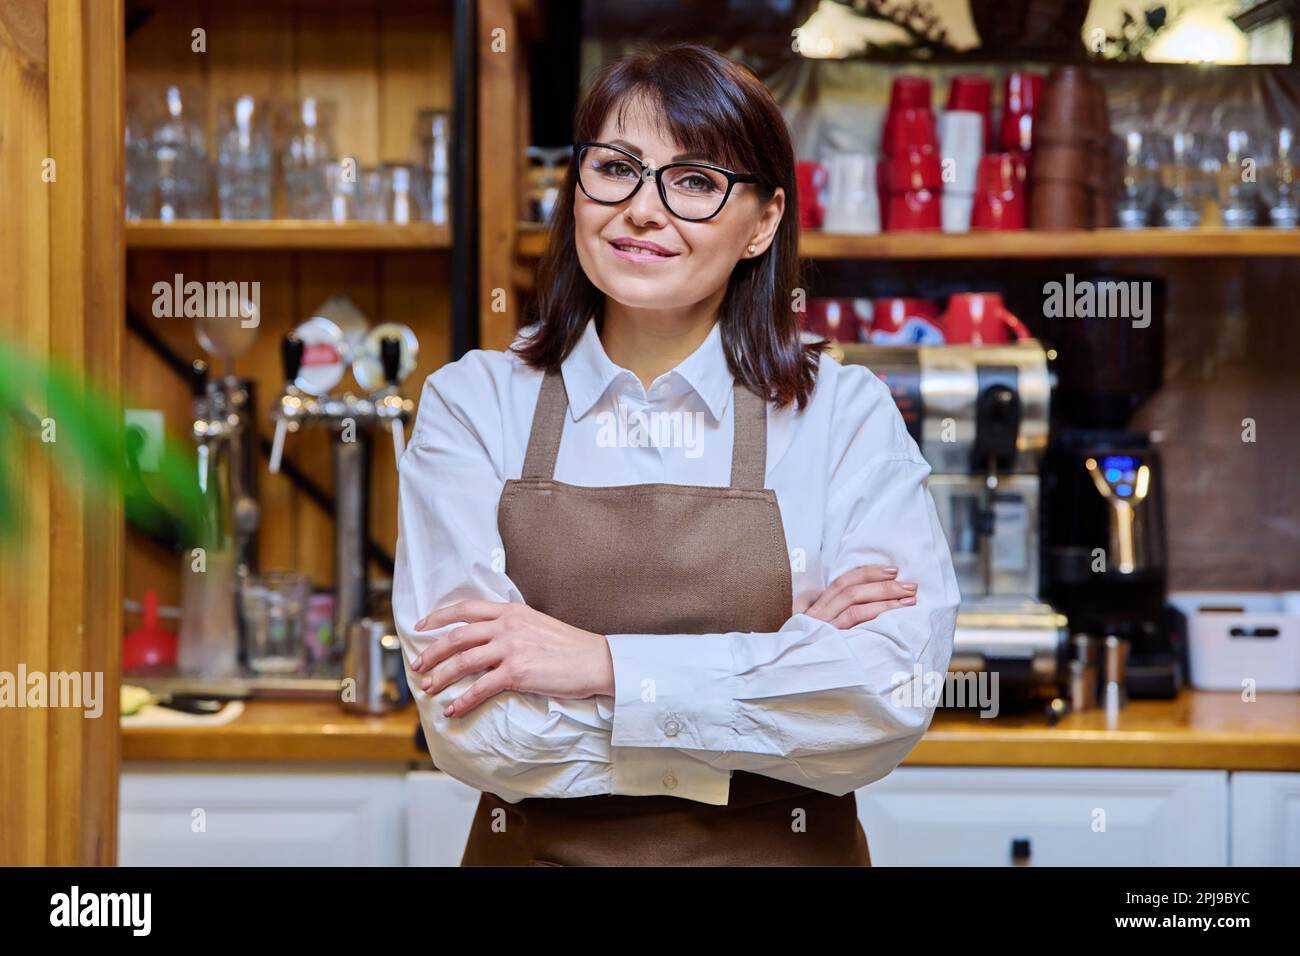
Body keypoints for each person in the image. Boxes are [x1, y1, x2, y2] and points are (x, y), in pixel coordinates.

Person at [394, 43, 960, 866]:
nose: (643, 210)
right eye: (616, 167)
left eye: (695, 182)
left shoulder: (843, 414)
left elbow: (881, 704)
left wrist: (596, 664)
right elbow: (480, 732)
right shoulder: (473, 404)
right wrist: (783, 667)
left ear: (763, 221)